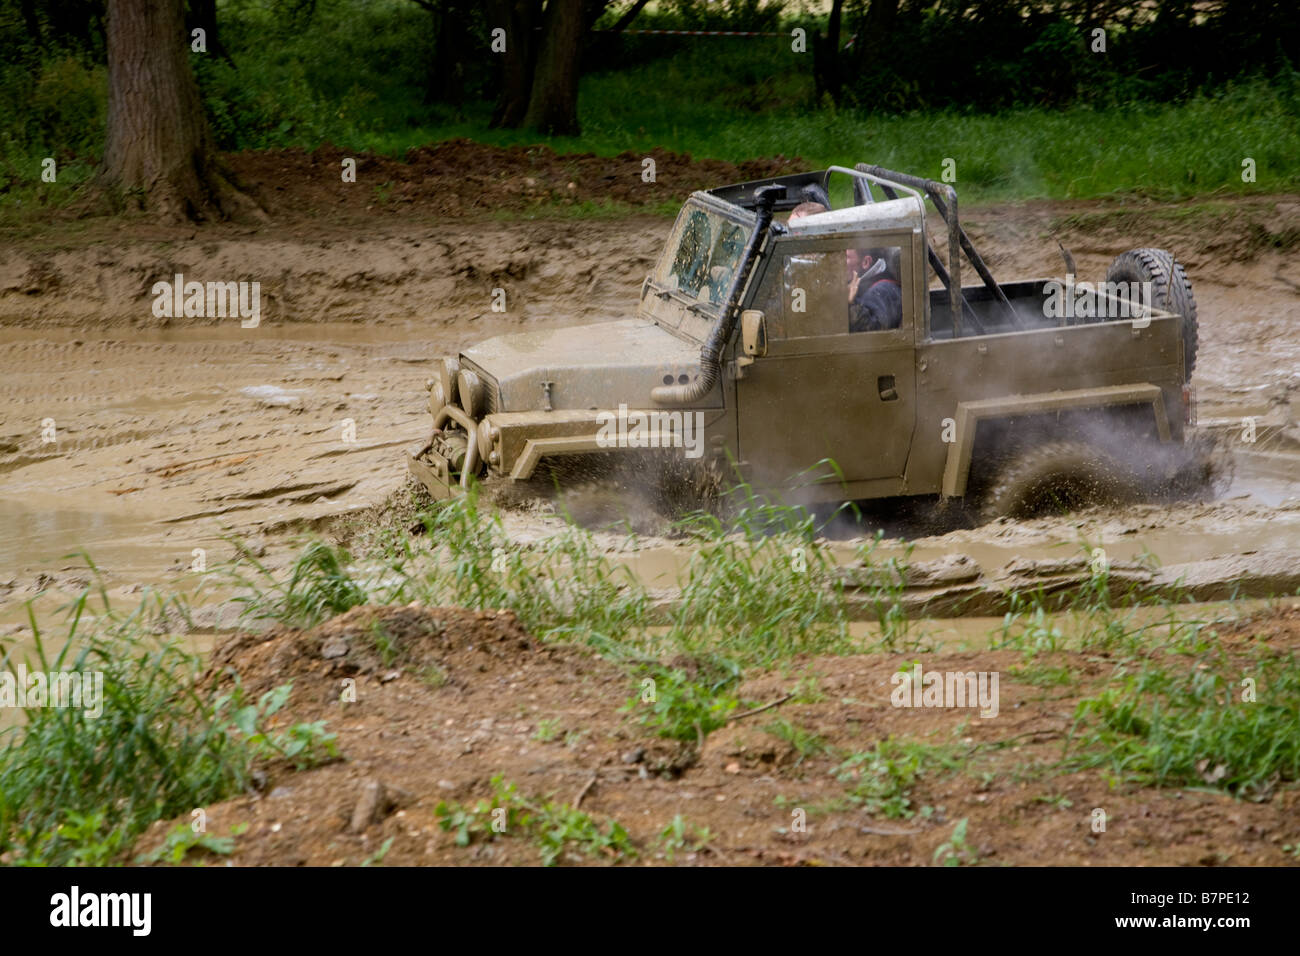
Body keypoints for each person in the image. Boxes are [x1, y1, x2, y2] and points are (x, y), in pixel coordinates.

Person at [849, 247, 903, 332]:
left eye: (846, 257)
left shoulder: (882, 290)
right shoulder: (865, 286)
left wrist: (851, 305)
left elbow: (873, 333)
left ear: (866, 262)